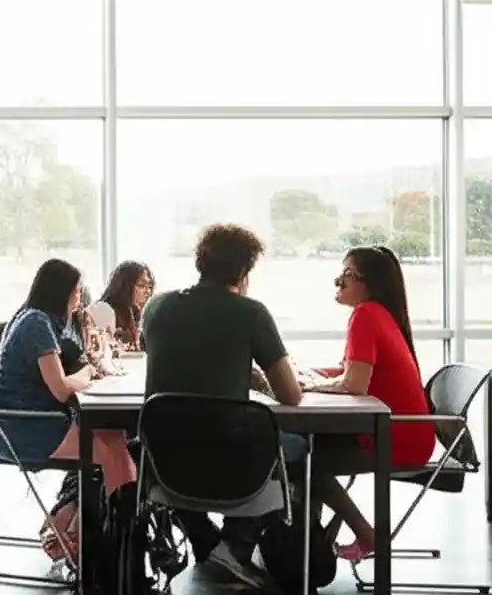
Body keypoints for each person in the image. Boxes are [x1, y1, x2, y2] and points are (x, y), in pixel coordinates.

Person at [142, 223, 304, 588]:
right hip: (235, 465)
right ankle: (238, 544)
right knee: (299, 448)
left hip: (165, 462)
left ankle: (208, 540)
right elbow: (291, 395)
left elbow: (184, 360)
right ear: (244, 271)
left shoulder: (156, 307)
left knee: (183, 443)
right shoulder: (251, 313)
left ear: (200, 261)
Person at [0, 259, 135, 565]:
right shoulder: (37, 325)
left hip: (20, 424)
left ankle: (78, 538)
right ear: (62, 292)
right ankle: (119, 554)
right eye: (77, 291)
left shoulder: (29, 317)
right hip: (26, 431)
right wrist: (88, 373)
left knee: (113, 439)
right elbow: (61, 388)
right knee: (117, 457)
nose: (80, 298)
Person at [303, 245, 436, 561]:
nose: (339, 280)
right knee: (311, 450)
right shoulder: (379, 314)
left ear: (369, 284)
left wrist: (309, 384)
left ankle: (358, 537)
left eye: (348, 275)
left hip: (397, 439)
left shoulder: (364, 315)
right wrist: (312, 373)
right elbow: (353, 371)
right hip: (409, 433)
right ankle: (311, 546)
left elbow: (354, 384)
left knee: (307, 464)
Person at [98, 260, 155, 350]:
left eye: (149, 287)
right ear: (124, 286)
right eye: (141, 285)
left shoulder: (136, 314)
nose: (147, 292)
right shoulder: (103, 310)